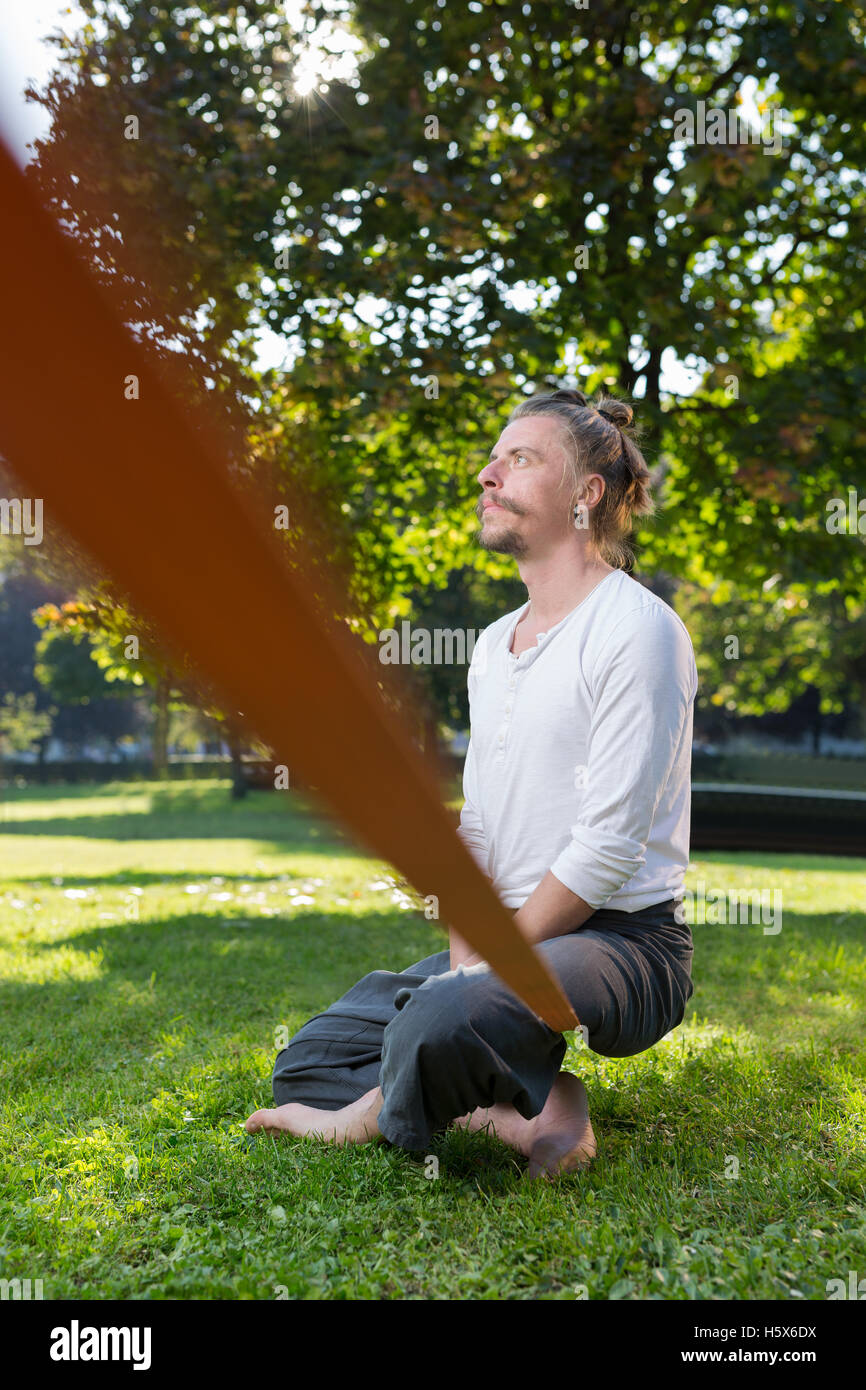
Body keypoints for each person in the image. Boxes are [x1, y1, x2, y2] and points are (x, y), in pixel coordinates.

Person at [246, 386, 697, 1179]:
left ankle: (372, 1115)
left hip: (622, 940)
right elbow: (479, 831)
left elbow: (608, 847)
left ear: (586, 494)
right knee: (311, 1057)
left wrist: (480, 974)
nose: (488, 475)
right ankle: (543, 1111)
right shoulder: (493, 646)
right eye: (492, 459)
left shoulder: (640, 631)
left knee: (443, 1020)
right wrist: (467, 961)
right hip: (505, 939)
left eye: (519, 459)